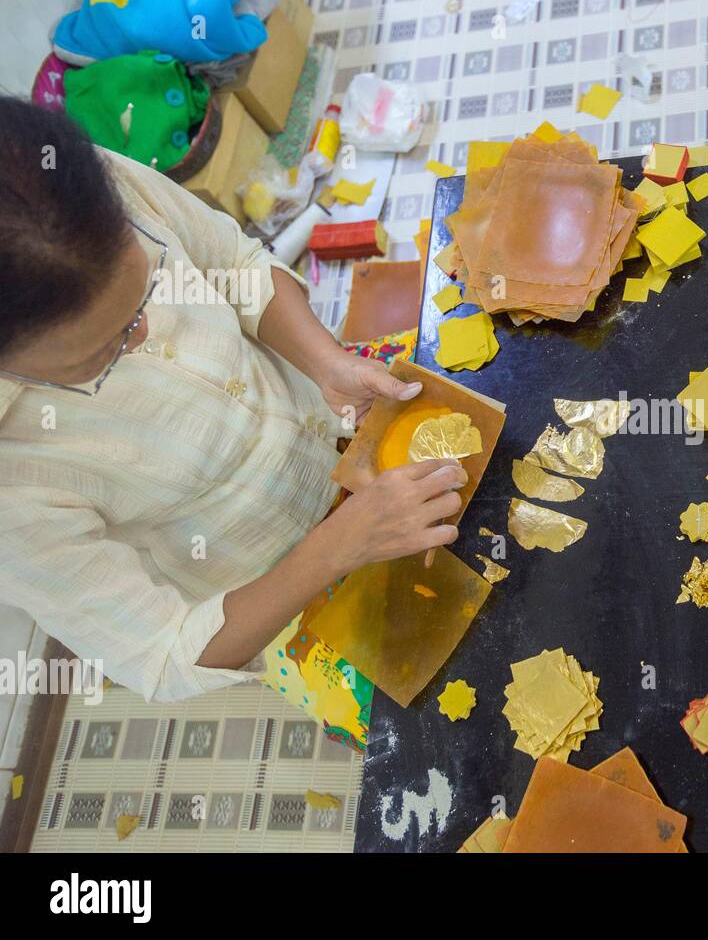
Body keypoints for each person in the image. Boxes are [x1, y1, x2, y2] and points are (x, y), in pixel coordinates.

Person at [0, 97, 463, 702]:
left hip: (332, 399)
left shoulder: (52, 188)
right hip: (280, 589)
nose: (145, 334)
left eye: (145, 294)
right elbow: (164, 654)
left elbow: (230, 260)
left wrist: (325, 364)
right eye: (103, 354)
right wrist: (337, 547)